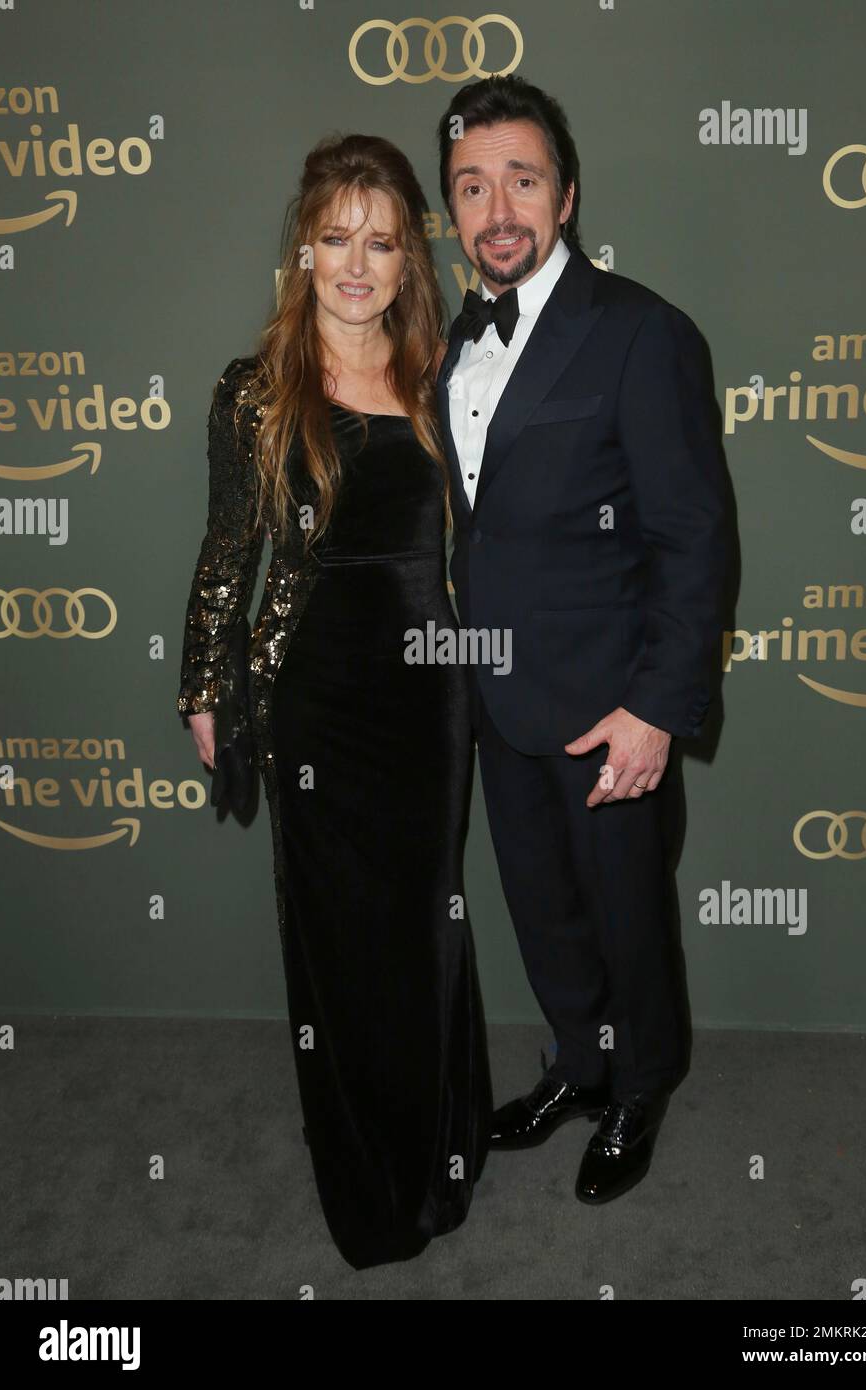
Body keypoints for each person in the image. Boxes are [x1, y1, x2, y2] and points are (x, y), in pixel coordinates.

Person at [176, 134, 492, 1269]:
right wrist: (206, 689)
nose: (357, 264)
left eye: (381, 241)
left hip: (426, 692)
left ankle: (445, 1150)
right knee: (338, 943)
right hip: (314, 691)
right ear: (303, 247)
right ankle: (371, 1188)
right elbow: (229, 554)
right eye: (336, 238)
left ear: (409, 259)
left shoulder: (441, 376)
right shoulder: (256, 392)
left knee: (425, 925)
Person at [435, 75, 731, 1203]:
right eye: (471, 185)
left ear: (565, 197)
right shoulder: (455, 342)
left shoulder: (641, 333)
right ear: (451, 209)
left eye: (521, 179)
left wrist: (656, 708)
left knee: (626, 918)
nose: (496, 206)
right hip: (497, 704)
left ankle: (641, 1083)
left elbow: (693, 537)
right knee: (543, 913)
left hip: (611, 705)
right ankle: (580, 1061)